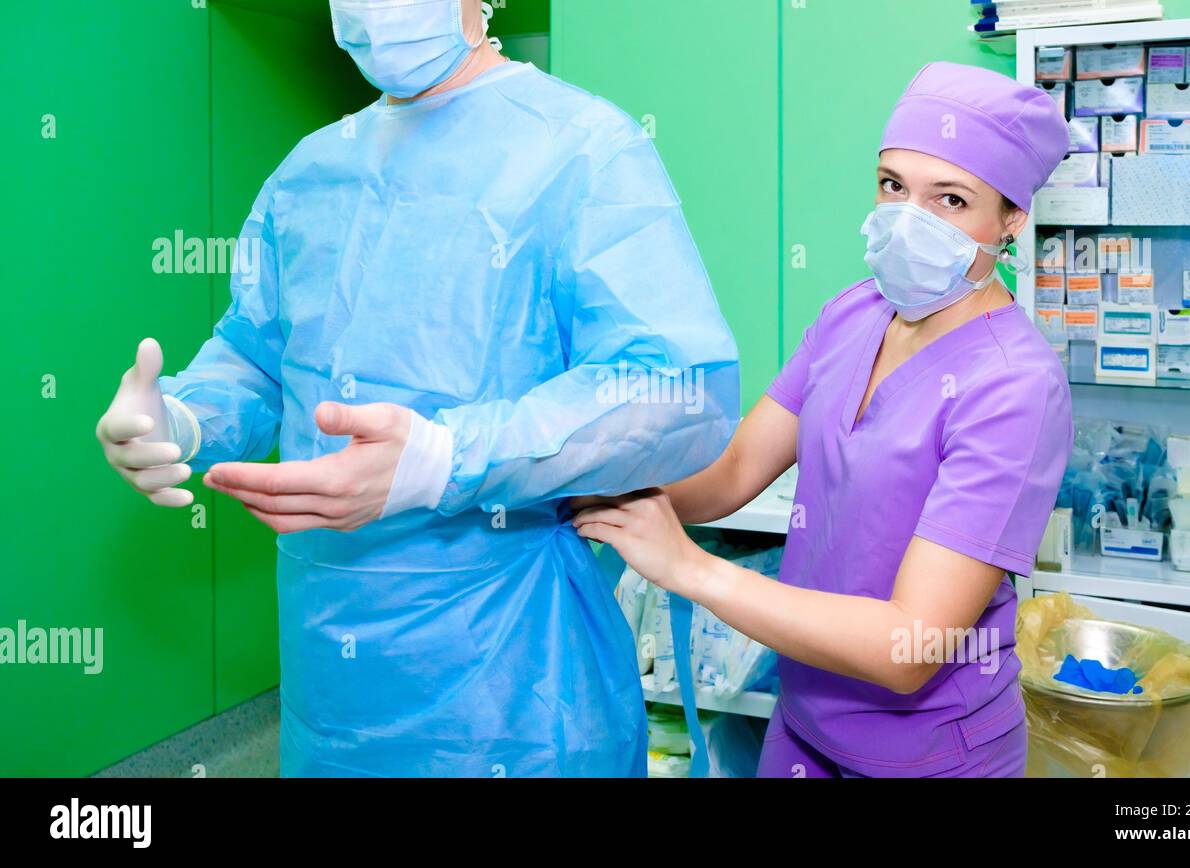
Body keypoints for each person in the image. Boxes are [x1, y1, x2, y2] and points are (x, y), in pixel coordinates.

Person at [95, 0, 739, 776]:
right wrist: (184, 417)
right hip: (329, 678)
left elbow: (677, 389)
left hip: (517, 683)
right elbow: (259, 358)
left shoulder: (582, 150)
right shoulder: (309, 173)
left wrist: (444, 457)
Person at [574, 61, 1072, 778]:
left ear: (1012, 219)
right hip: (804, 726)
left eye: (951, 200)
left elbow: (911, 647)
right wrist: (593, 486)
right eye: (893, 186)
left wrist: (689, 568)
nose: (907, 220)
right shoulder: (853, 312)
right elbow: (737, 469)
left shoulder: (1016, 388)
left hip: (928, 754)